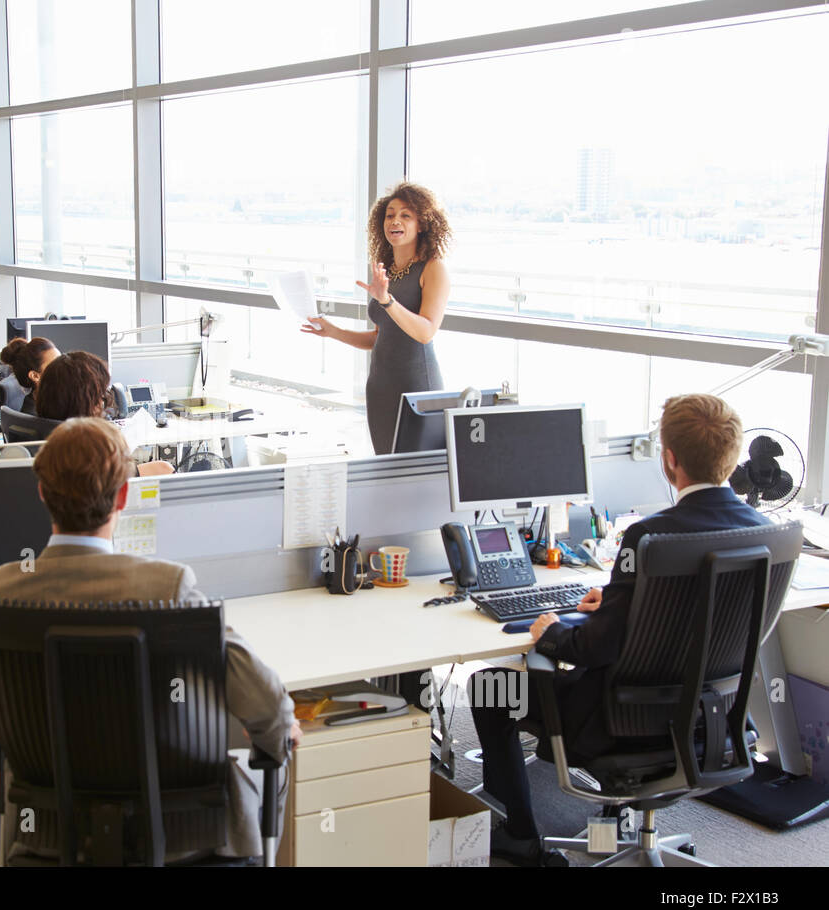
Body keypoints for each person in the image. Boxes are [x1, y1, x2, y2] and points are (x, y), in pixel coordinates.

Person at [0, 416, 299, 861]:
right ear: (123, 495)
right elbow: (268, 703)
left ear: (41, 493)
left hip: (51, 839)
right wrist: (275, 739)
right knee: (275, 747)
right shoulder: (168, 587)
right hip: (182, 839)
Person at [470, 394, 768, 866]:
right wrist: (623, 601)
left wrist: (550, 631)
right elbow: (702, 613)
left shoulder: (650, 536)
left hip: (619, 721)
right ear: (732, 457)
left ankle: (521, 837)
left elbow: (594, 647)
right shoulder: (766, 531)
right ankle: (613, 818)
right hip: (709, 717)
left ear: (669, 460)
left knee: (490, 686)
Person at [301, 182, 452, 456]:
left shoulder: (434, 268)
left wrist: (387, 301)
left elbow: (425, 332)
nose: (395, 220)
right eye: (390, 214)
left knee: (416, 478)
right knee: (387, 473)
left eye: (406, 215)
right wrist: (332, 331)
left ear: (422, 224)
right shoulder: (386, 272)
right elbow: (379, 337)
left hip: (416, 388)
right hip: (381, 389)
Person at [35, 351, 174, 476]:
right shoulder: (85, 449)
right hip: (106, 484)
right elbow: (161, 469)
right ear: (86, 401)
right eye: (99, 396)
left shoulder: (50, 440)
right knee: (165, 468)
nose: (102, 403)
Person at [0, 336, 58, 414]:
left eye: (61, 358)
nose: (63, 365)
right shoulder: (43, 417)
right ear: (35, 376)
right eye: (55, 363)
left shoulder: (54, 403)